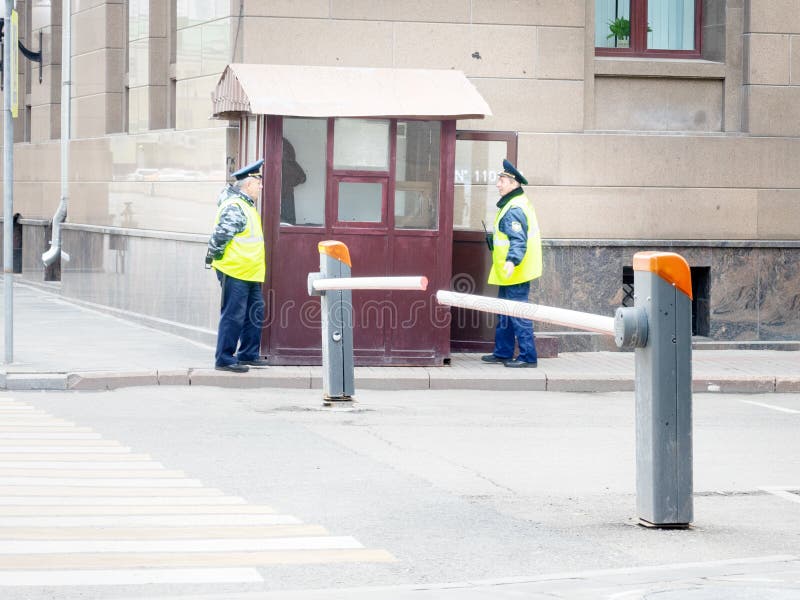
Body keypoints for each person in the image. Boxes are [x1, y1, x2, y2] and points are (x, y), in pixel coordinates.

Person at [205, 159, 269, 373]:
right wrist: (216, 263)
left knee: (255, 311)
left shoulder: (247, 206)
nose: (261, 187)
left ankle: (248, 355)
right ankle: (224, 358)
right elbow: (220, 237)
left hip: (250, 272)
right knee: (233, 314)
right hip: (235, 271)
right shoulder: (236, 207)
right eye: (258, 183)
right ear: (248, 185)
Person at [481, 159, 543, 368]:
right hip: (510, 273)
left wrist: (511, 261)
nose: (498, 184)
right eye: (499, 179)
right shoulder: (512, 203)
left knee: (518, 314)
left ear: (514, 184)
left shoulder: (514, 208)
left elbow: (518, 240)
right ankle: (503, 352)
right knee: (505, 313)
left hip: (516, 272)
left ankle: (528, 356)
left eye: (502, 180)